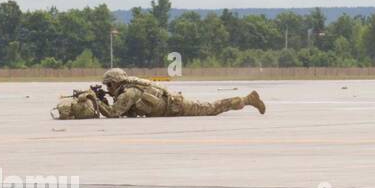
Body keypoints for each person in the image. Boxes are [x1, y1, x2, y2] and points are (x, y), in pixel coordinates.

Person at [101, 68, 266, 117]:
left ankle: (247, 99)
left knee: (212, 108)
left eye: (109, 85)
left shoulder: (129, 92)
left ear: (115, 82)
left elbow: (113, 113)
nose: (108, 89)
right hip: (172, 105)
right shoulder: (129, 90)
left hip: (176, 106)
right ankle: (246, 100)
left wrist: (96, 101)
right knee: (211, 109)